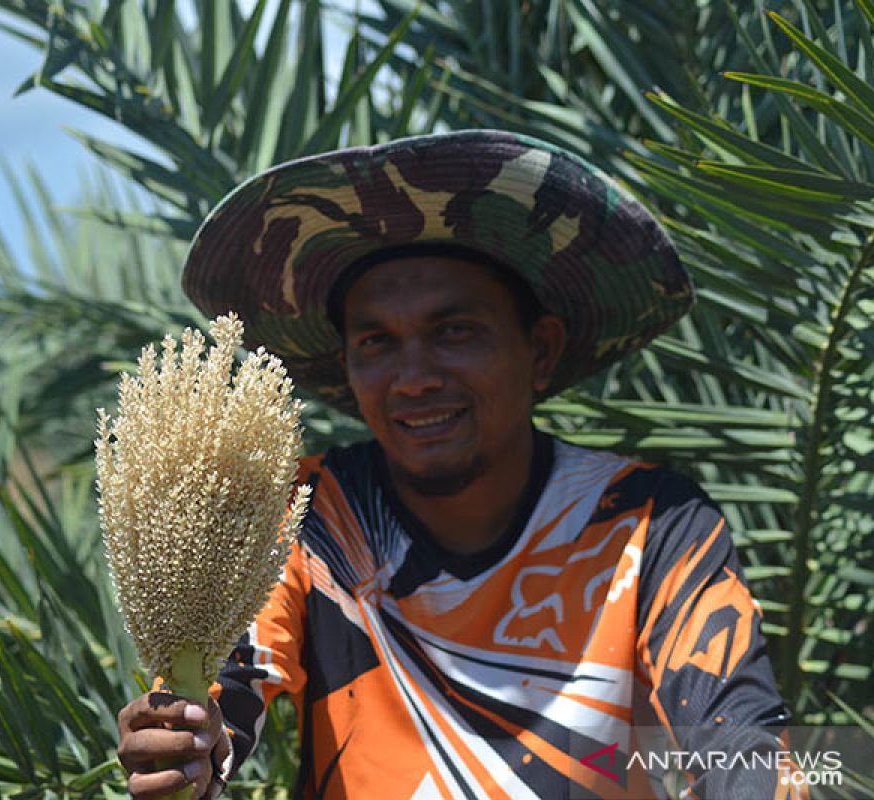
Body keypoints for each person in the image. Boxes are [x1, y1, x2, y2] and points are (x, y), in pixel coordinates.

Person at [116, 130, 796, 799]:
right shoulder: (306, 516)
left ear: (541, 350)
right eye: (377, 341)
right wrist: (186, 747)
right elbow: (223, 697)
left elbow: (743, 744)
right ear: (347, 365)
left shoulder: (650, 525)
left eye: (454, 331)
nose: (412, 378)